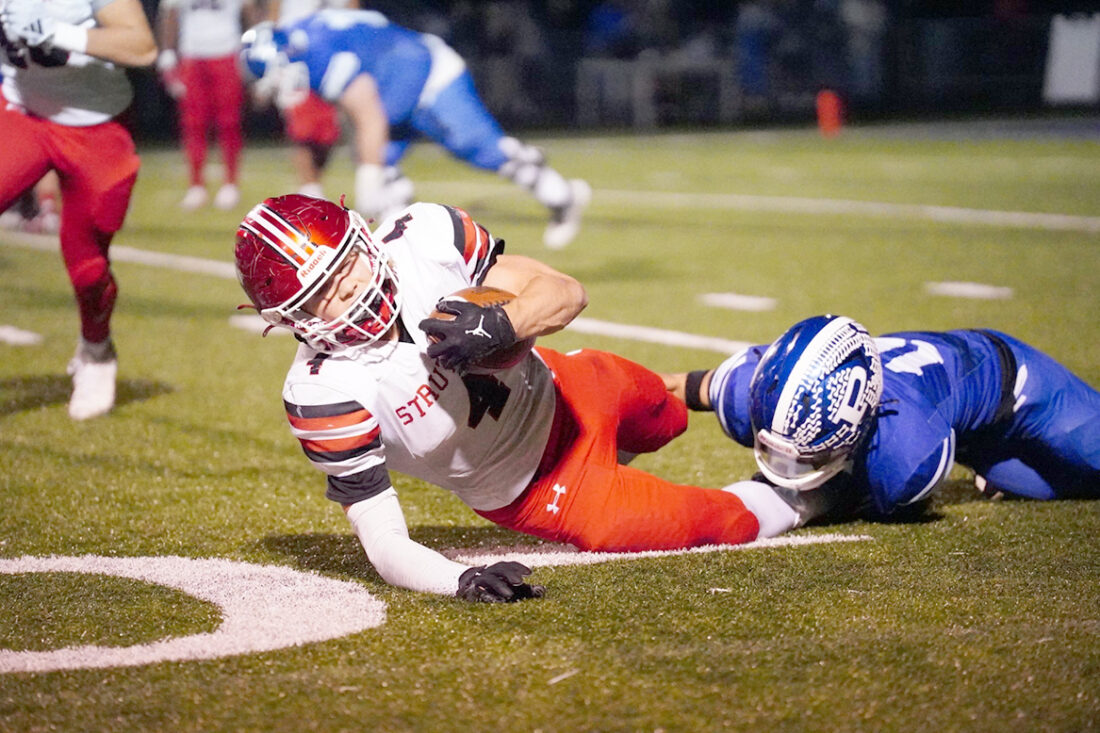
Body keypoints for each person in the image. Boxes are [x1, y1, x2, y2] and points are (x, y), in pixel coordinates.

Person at [233, 194, 811, 602]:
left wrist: (504, 323)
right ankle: (814, 496)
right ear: (293, 319)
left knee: (669, 416)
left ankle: (728, 382)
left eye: (348, 265)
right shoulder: (323, 394)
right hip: (542, 489)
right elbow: (384, 542)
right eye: (325, 294)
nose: (353, 288)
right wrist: (457, 580)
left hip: (571, 386)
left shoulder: (423, 237)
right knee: (717, 521)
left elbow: (565, 292)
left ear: (364, 237)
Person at [667, 314, 1100, 519]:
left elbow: (845, 496)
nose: (791, 468)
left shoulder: (905, 458)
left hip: (1020, 387)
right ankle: (994, 469)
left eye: (812, 455)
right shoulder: (753, 392)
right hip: (959, 430)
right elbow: (673, 386)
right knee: (1035, 482)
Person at [239, 10, 591, 249]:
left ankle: (562, 197)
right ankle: (410, 254)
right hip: (394, 87)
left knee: (480, 149)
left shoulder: (315, 55)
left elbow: (369, 115)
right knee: (383, 172)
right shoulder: (304, 35)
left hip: (427, 75)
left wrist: (367, 176)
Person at [0, 0, 157, 420]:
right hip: (22, 112)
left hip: (97, 126)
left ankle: (96, 349)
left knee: (88, 267)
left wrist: (58, 33)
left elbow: (142, 46)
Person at [156, 0, 259, 211]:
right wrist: (167, 54)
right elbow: (170, 16)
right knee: (193, 124)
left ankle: (230, 184)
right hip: (191, 55)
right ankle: (196, 186)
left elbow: (251, 16)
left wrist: (255, 51)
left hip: (228, 53)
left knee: (229, 122)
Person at [264, 0, 355, 200]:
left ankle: (313, 183)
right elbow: (274, 15)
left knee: (329, 133)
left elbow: (353, 13)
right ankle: (309, 187)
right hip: (295, 55)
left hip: (331, 56)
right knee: (302, 127)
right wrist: (273, 58)